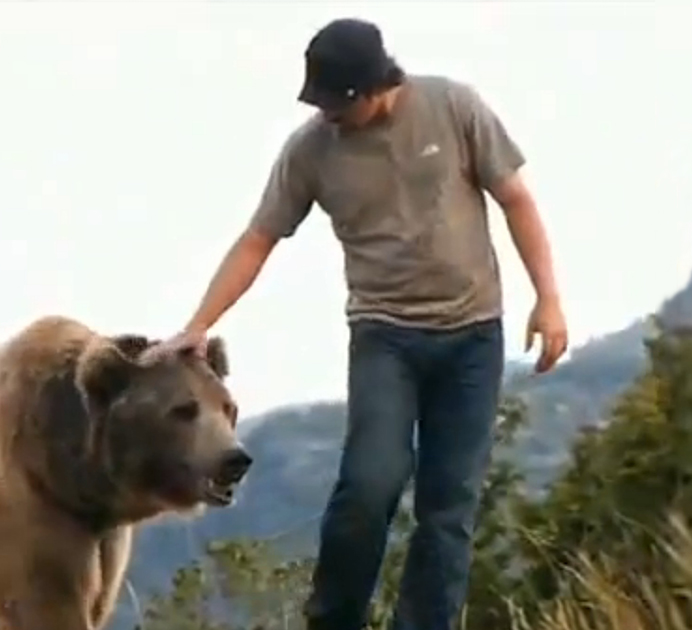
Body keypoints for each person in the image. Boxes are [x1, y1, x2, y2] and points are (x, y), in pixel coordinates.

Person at [149, 16, 569, 630]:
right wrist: (199, 323)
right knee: (369, 486)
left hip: (473, 338)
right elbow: (258, 239)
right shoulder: (311, 151)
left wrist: (548, 298)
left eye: (339, 103)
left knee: (448, 505)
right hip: (385, 337)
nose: (329, 116)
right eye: (319, 103)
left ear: (377, 85)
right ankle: (333, 620)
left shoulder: (454, 107)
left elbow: (517, 200)